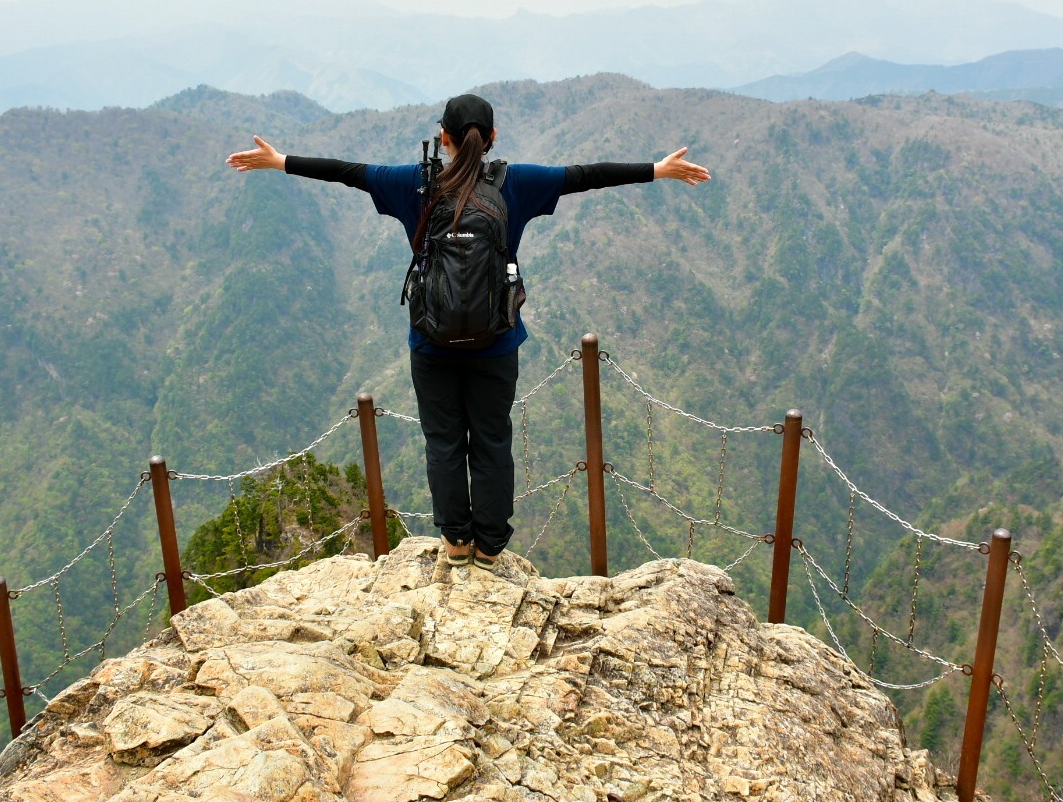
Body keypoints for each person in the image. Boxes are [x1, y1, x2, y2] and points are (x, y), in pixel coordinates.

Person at [226, 94, 709, 570]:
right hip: (496, 342)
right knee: (492, 440)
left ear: (444, 138)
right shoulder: (514, 183)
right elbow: (585, 176)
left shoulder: (413, 184)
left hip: (431, 343)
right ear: (493, 137)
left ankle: (456, 542)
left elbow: (348, 172)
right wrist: (656, 169)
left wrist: (280, 161)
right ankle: (491, 545)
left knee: (444, 442)